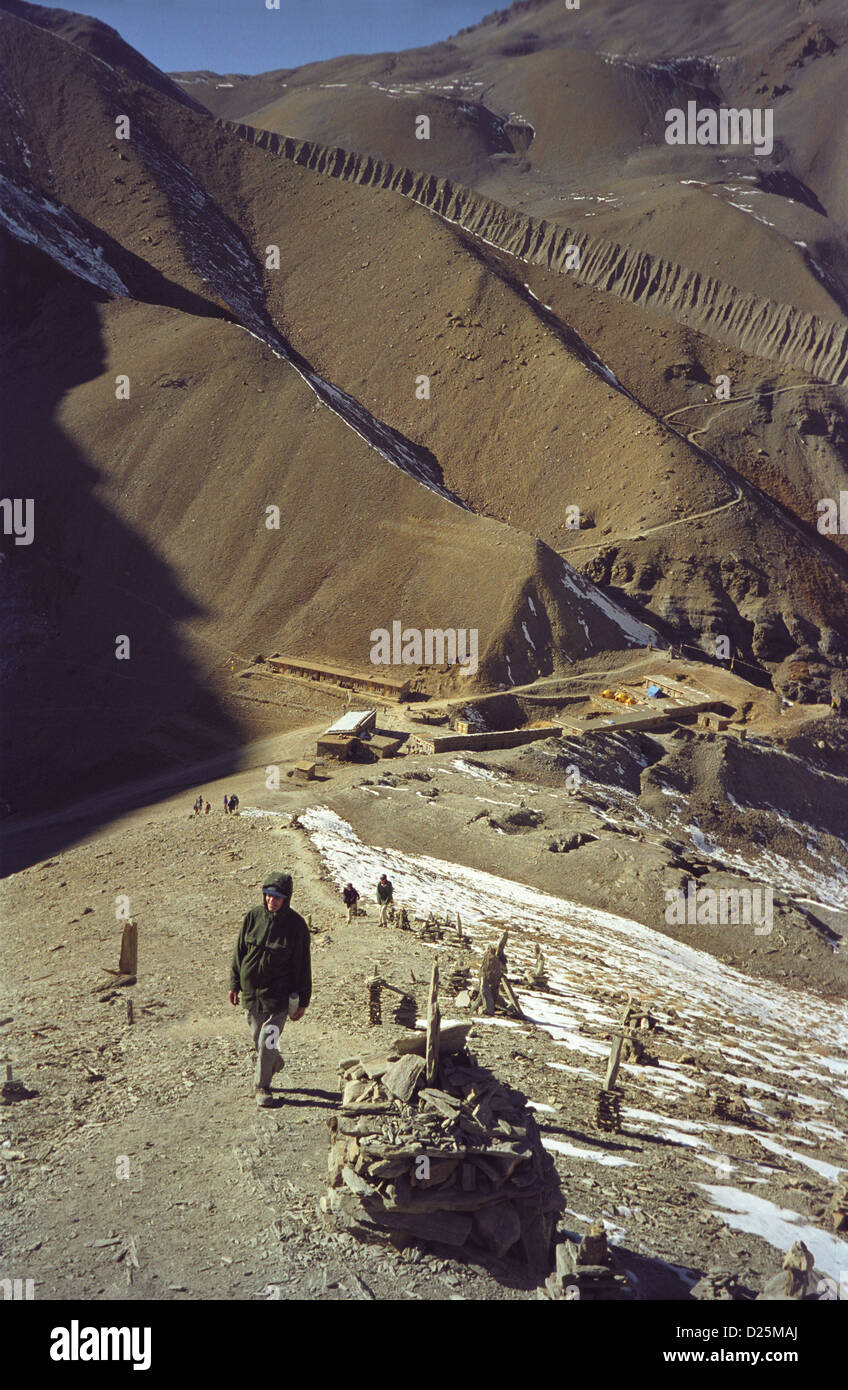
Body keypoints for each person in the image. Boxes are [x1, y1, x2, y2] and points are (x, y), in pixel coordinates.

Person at [228, 872, 311, 1108]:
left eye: (277, 897)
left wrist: (303, 1000)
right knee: (258, 1038)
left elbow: (303, 965)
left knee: (269, 1040)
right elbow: (239, 952)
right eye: (268, 896)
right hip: (252, 993)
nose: (271, 901)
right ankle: (272, 1062)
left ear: (287, 899)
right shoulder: (253, 917)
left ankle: (262, 1086)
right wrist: (234, 984)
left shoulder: (296, 926)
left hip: (279, 998)